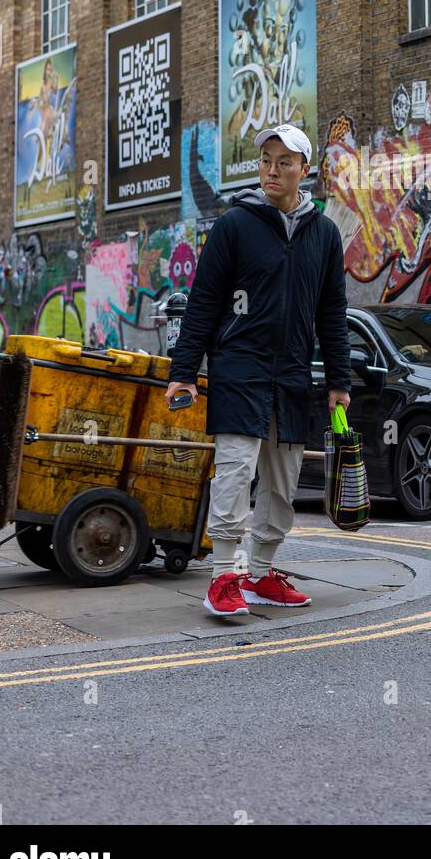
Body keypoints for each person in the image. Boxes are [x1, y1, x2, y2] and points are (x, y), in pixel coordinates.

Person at [165, 124, 351, 617]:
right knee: (235, 470)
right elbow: (203, 302)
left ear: (303, 171)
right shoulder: (234, 226)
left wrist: (339, 380)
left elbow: (332, 311)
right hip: (239, 368)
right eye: (266, 159)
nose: (272, 169)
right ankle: (225, 575)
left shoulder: (324, 234)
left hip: (291, 374)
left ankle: (263, 574)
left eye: (284, 162)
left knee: (282, 479)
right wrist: (183, 370)